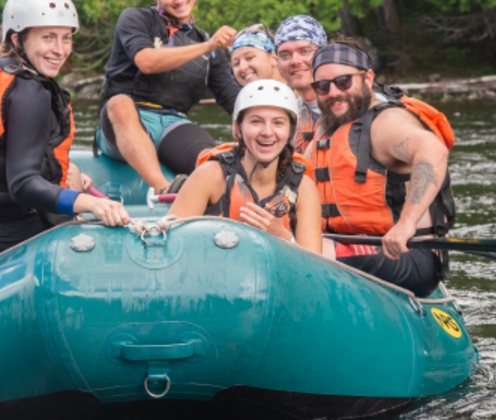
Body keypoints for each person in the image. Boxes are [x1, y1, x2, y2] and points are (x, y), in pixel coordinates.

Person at [0, 0, 130, 271]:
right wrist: (92, 204)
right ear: (16, 38)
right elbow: (23, 184)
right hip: (15, 245)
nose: (60, 50)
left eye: (66, 38)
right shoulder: (28, 91)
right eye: (47, 37)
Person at [306, 40, 457, 298]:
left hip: (406, 254)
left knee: (308, 248)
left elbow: (433, 151)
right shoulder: (329, 126)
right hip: (350, 242)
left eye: (343, 81)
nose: (333, 92)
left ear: (367, 78)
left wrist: (406, 224)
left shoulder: (386, 122)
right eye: (322, 86)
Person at [95, 0, 242, 195]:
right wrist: (207, 46)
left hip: (174, 125)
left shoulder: (210, 46)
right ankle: (164, 189)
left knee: (212, 160)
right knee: (119, 103)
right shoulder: (134, 18)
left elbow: (231, 97)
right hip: (123, 123)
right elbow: (146, 61)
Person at [169, 80, 321, 252]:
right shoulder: (209, 176)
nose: (267, 132)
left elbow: (314, 264)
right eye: (256, 122)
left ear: (291, 131)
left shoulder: (303, 188)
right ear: (238, 129)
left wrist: (283, 237)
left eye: (278, 123)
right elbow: (171, 244)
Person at [274, 15, 327, 151]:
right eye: (285, 55)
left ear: (324, 54)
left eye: (305, 51)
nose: (295, 61)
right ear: (277, 62)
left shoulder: (353, 104)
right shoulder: (283, 115)